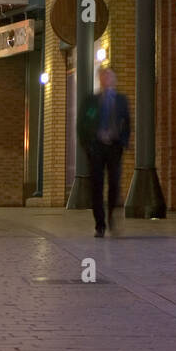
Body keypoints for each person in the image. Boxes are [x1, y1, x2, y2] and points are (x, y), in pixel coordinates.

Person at [76, 67, 130, 238]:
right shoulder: (91, 101)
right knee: (97, 186)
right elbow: (82, 124)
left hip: (114, 147)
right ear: (100, 79)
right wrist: (87, 146)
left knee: (114, 183)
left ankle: (112, 216)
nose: (107, 79)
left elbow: (127, 122)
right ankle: (100, 224)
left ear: (114, 80)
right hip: (96, 148)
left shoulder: (121, 100)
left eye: (110, 76)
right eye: (104, 76)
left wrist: (123, 142)